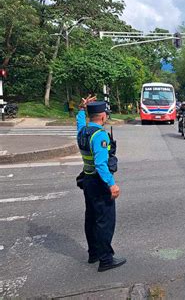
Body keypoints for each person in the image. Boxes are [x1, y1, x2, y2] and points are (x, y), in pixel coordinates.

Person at [76, 95, 126, 272]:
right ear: (103, 116)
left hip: (88, 180)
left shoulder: (83, 131)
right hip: (99, 182)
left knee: (91, 218)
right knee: (104, 220)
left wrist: (82, 108)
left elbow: (79, 121)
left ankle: (94, 253)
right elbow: (101, 164)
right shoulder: (99, 136)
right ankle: (106, 259)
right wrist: (111, 184)